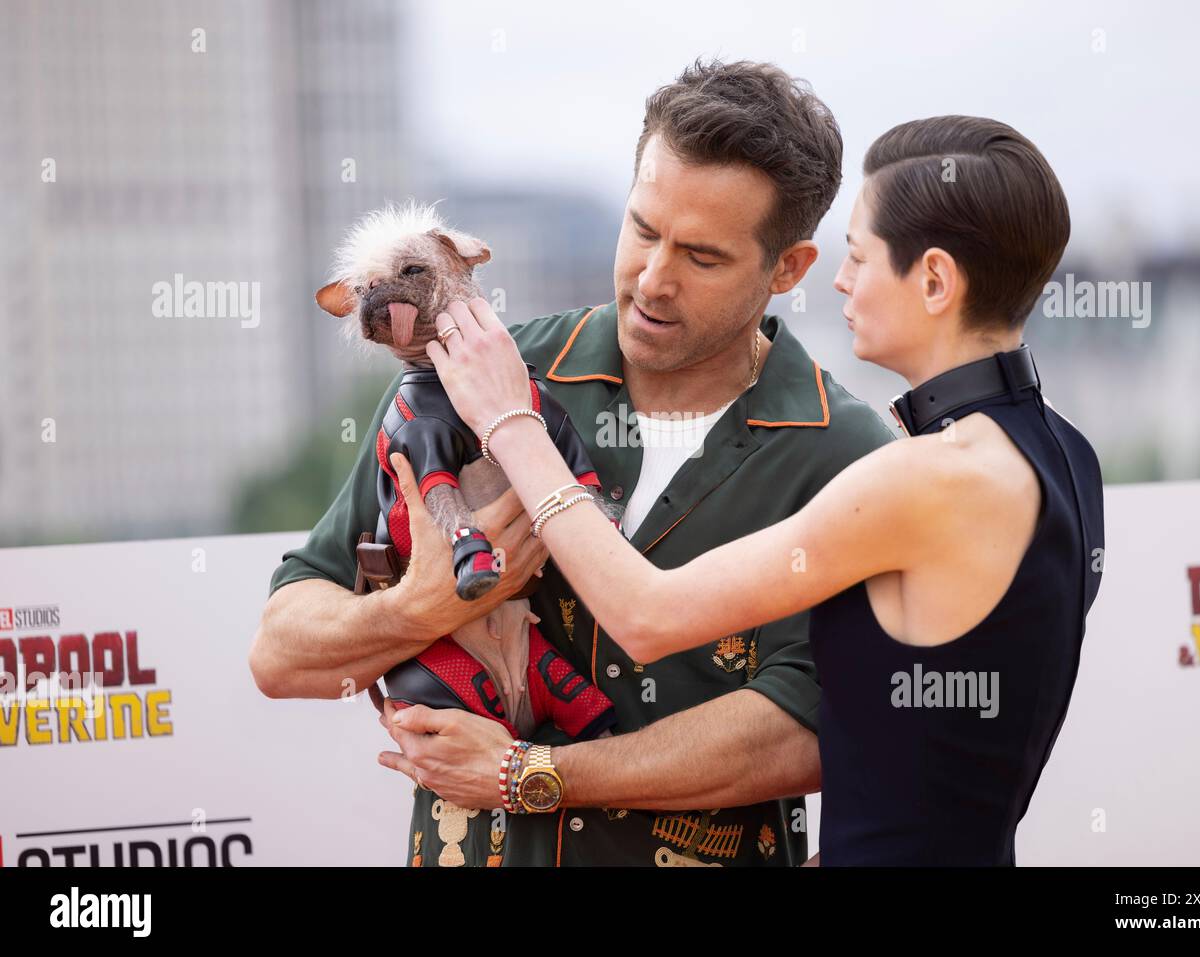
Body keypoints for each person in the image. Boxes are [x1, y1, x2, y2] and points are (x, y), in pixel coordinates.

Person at [249, 59, 895, 867]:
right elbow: (281, 653)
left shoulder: (849, 453)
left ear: (789, 269)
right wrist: (421, 606)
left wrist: (534, 775)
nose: (653, 280)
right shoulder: (469, 368)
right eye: (644, 230)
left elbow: (807, 735)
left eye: (701, 256)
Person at [415, 115, 1106, 866]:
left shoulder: (922, 476)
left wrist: (510, 422)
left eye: (860, 256)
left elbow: (644, 614)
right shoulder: (1066, 454)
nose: (840, 279)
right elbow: (943, 758)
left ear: (935, 280)